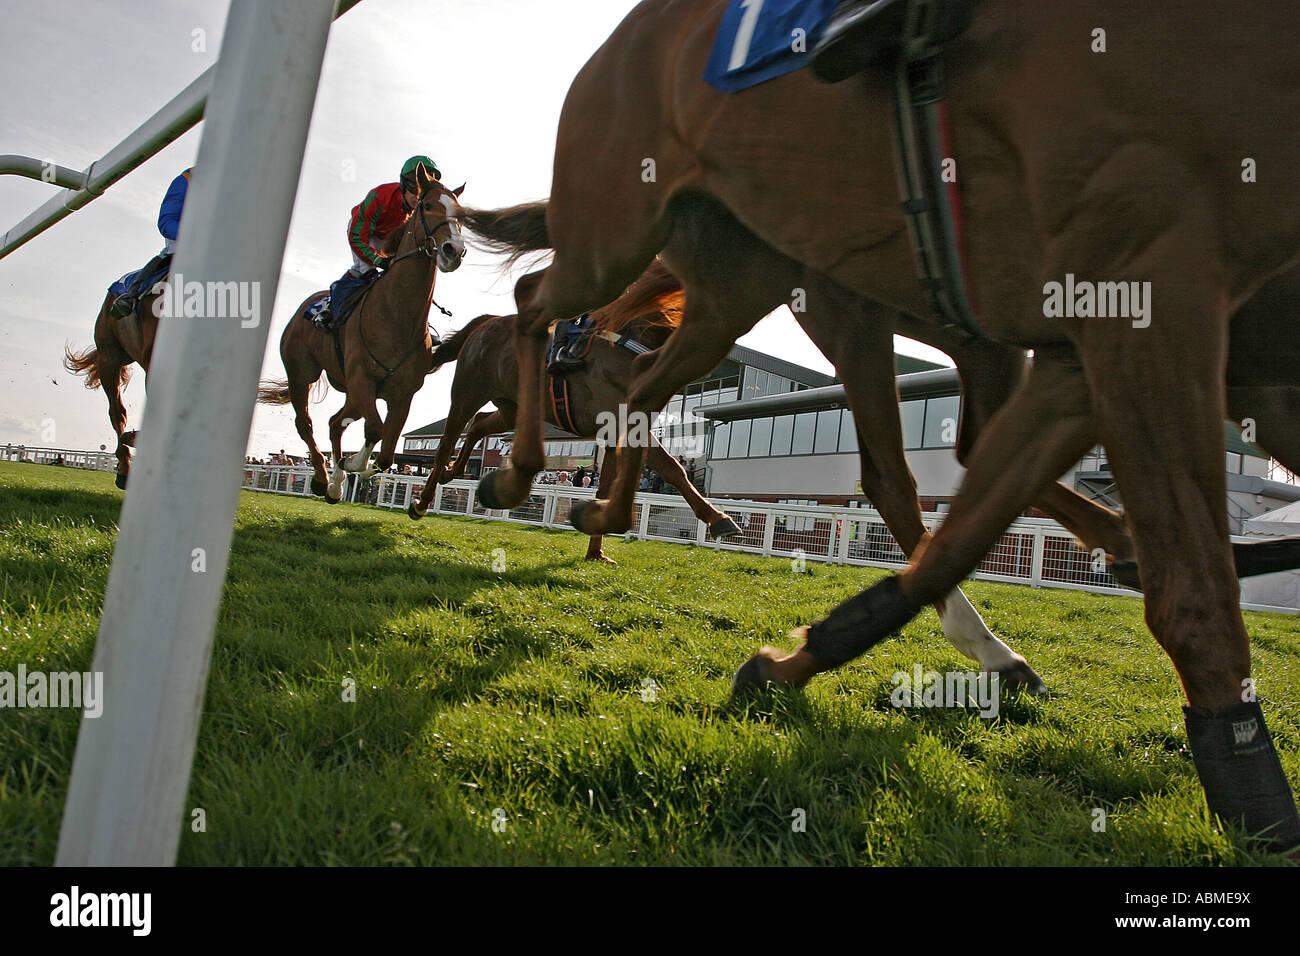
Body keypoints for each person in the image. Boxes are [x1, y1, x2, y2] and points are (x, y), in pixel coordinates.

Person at [316, 155, 441, 328]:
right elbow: (358, 237)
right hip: (363, 233)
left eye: (422, 192)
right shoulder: (380, 197)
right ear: (404, 184)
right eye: (414, 188)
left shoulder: (417, 211)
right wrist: (378, 260)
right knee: (365, 271)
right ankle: (330, 309)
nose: (417, 196)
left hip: (387, 237)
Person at [111, 167, 192, 318]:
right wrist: (197, 236)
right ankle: (131, 296)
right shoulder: (188, 178)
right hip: (185, 245)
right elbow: (166, 222)